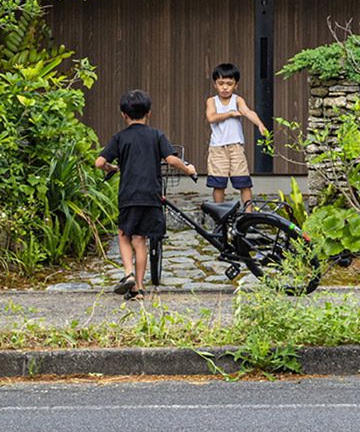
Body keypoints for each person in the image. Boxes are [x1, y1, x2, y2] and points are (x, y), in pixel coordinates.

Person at [95, 89, 195, 298]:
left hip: (129, 195)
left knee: (124, 235)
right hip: (151, 195)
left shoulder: (120, 138)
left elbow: (99, 162)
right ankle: (139, 288)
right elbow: (171, 160)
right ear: (148, 113)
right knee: (140, 239)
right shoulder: (156, 135)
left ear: (123, 114)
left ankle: (128, 273)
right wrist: (188, 169)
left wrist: (111, 168)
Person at [203, 62, 269, 208]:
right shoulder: (212, 101)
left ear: (236, 85)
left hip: (236, 147)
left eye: (229, 83)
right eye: (221, 83)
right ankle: (219, 216)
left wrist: (259, 124)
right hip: (217, 148)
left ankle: (248, 215)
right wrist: (230, 113)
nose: (225, 87)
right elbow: (211, 117)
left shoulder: (237, 100)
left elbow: (248, 112)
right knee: (219, 184)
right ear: (215, 84)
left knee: (243, 182)